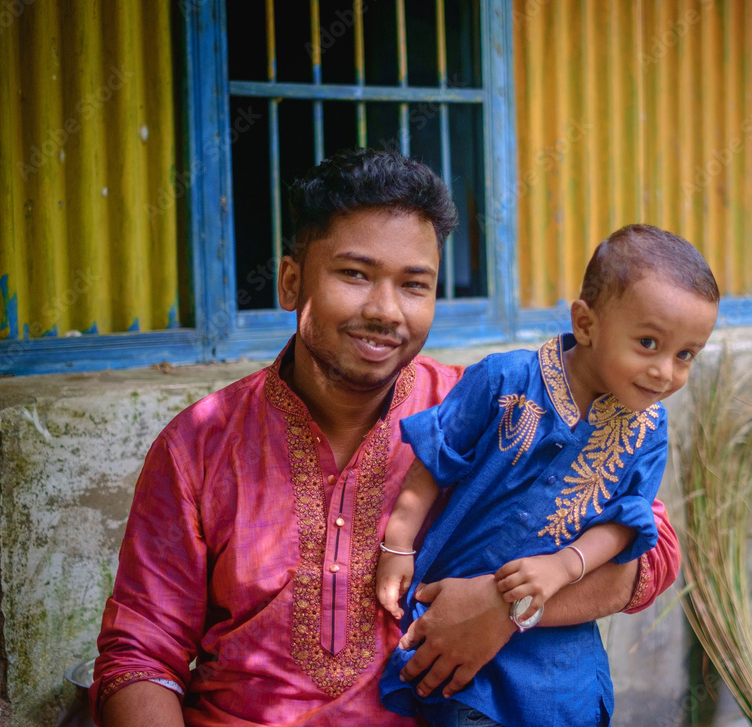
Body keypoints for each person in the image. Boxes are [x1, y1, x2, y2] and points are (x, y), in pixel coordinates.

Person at [90, 149, 681, 727]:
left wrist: (507, 608)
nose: (386, 311)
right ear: (291, 282)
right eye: (355, 274)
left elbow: (650, 559)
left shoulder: (490, 413)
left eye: (414, 285)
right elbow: (141, 654)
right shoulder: (200, 445)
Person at [376, 224, 720, 727]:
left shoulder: (648, 429)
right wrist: (398, 544)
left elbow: (627, 521)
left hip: (559, 662)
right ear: (586, 324)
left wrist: (564, 566)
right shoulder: (505, 380)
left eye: (686, 354)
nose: (666, 372)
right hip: (459, 638)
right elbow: (435, 459)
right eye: (648, 343)